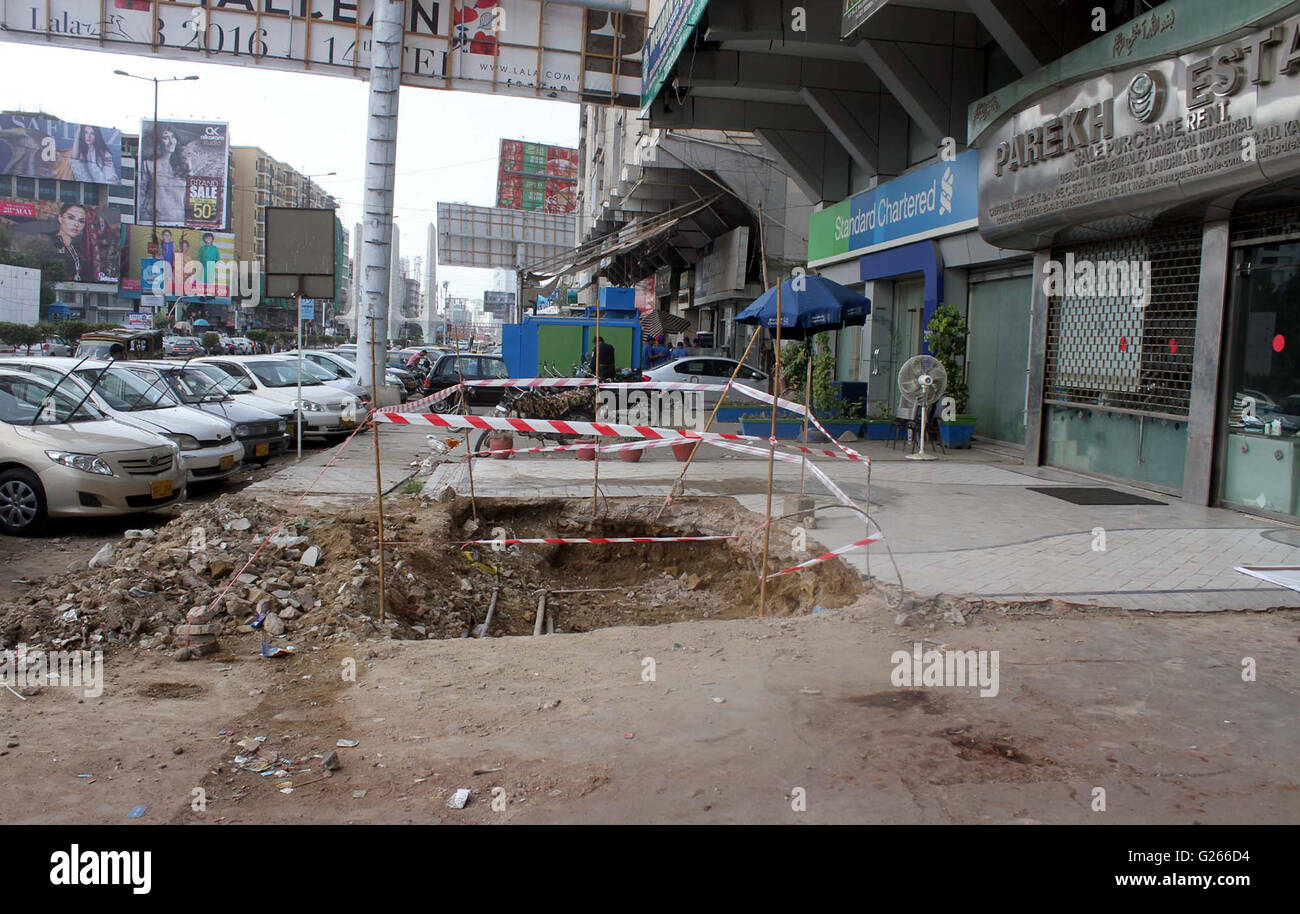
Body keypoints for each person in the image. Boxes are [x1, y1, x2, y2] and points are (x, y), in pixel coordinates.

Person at [139, 127, 188, 226]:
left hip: (179, 221)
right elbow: (141, 193)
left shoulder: (183, 165)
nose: (171, 141)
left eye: (173, 137)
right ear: (158, 142)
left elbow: (189, 197)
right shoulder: (148, 165)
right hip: (155, 221)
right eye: (166, 138)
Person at [46, 203, 90, 282]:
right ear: (60, 218)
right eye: (71, 218)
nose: (76, 224)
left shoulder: (80, 249)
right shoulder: (48, 241)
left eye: (81, 221)